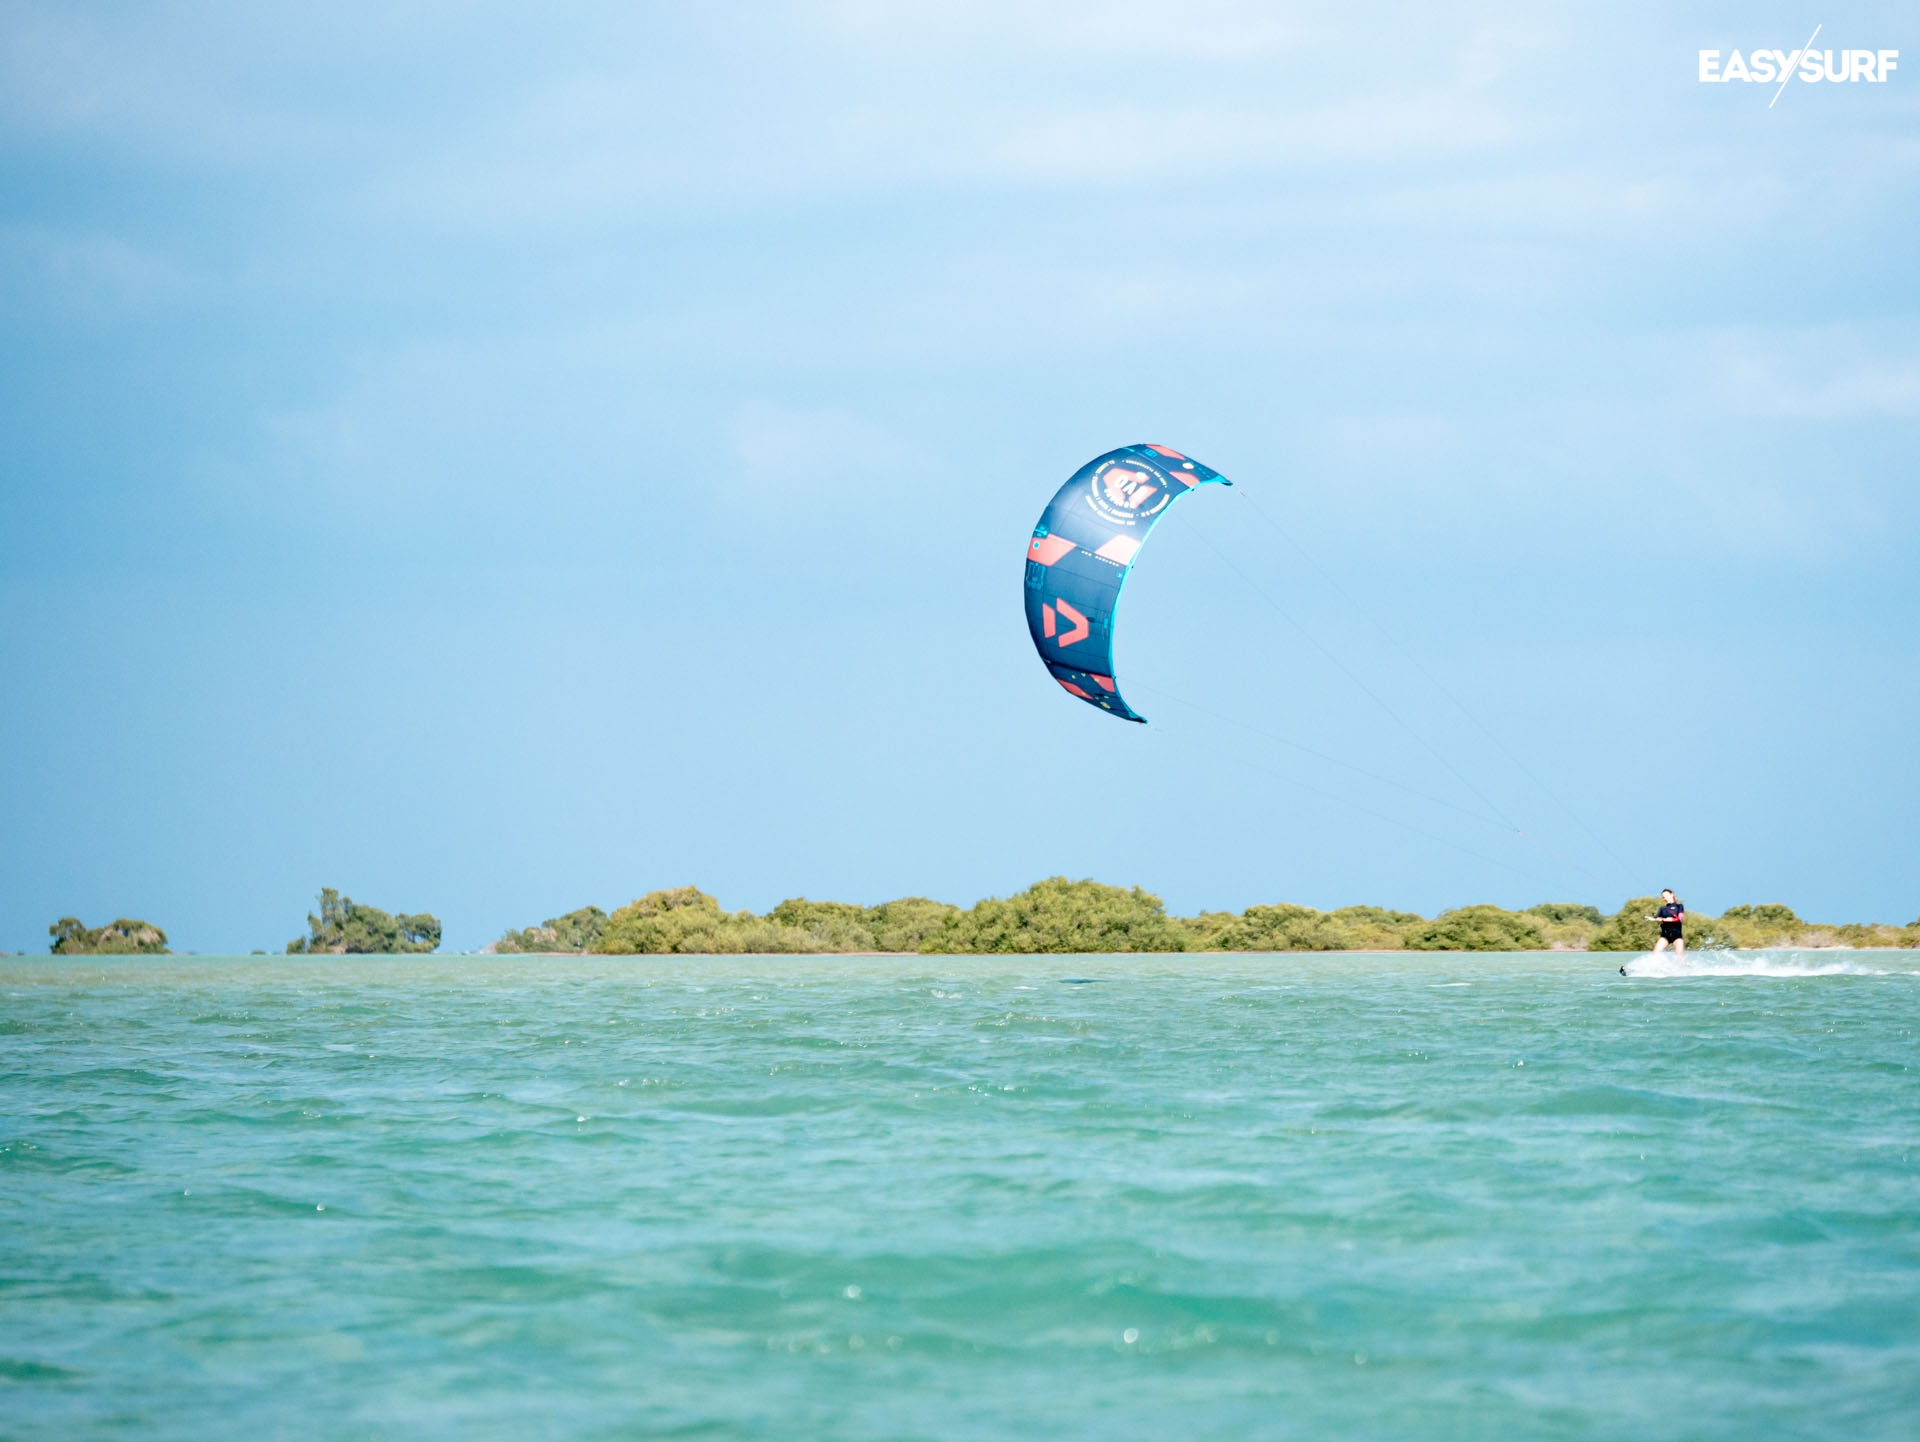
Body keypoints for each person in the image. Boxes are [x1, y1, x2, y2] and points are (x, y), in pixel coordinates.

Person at [1619, 889, 1685, 975]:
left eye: (1666, 896)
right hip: (1665, 935)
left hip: (1677, 935)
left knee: (1679, 957)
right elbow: (1658, 919)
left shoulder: (1679, 906)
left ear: (1672, 894)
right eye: (1663, 897)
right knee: (1655, 954)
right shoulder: (1662, 909)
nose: (1665, 898)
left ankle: (1680, 972)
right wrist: (1657, 919)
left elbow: (1679, 919)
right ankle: (1645, 970)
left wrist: (1665, 919)